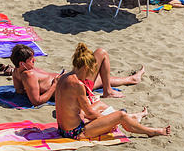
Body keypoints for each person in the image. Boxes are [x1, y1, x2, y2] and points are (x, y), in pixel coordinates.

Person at [54, 43, 170, 139]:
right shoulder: (77, 84)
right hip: (75, 133)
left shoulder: (64, 77)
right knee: (121, 115)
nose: (89, 75)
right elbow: (89, 114)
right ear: (85, 67)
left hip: (62, 129)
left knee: (99, 104)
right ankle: (152, 131)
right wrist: (109, 120)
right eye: (89, 71)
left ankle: (133, 117)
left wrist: (106, 118)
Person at [9, 43, 144, 105]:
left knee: (101, 79)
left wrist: (27, 88)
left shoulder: (17, 71)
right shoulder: (29, 75)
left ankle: (132, 79)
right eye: (31, 60)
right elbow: (36, 101)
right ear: (22, 63)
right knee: (101, 53)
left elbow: (19, 91)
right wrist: (54, 86)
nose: (34, 60)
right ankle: (108, 91)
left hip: (66, 82)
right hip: (69, 87)